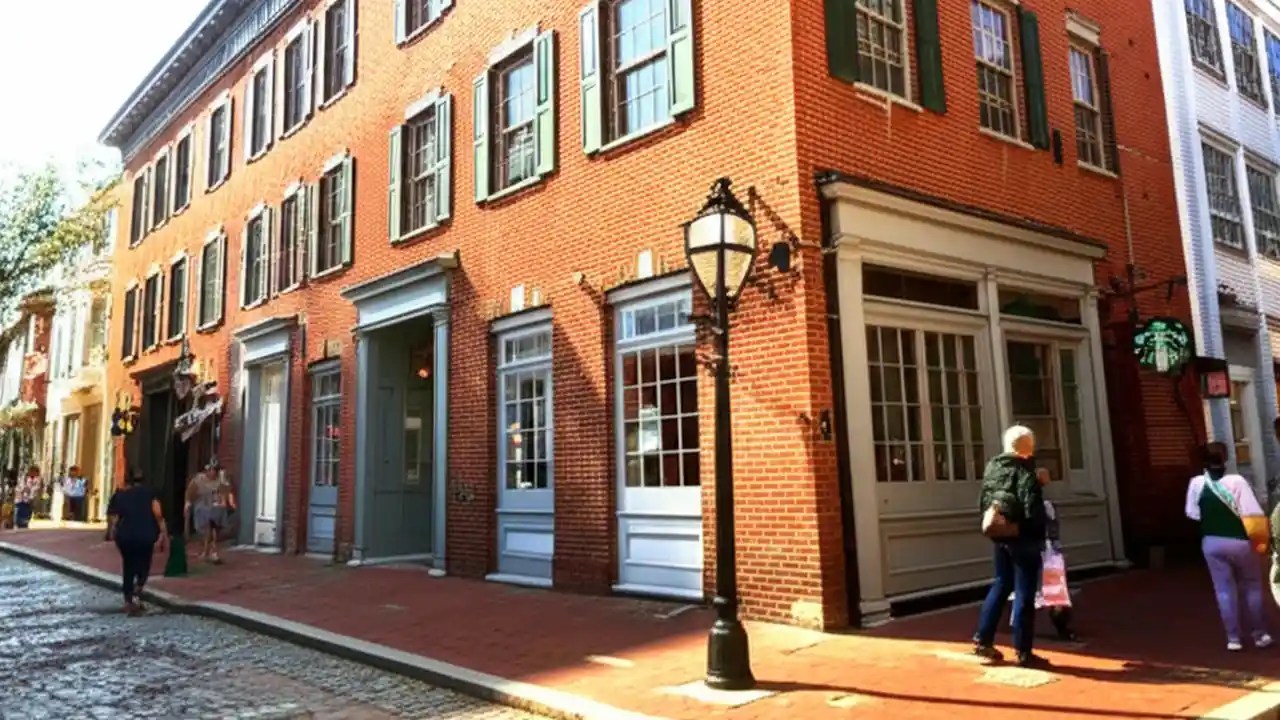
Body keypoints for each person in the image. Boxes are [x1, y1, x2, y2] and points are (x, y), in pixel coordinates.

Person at [973, 425, 1049, 668]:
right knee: (1025, 592)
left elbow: (985, 498)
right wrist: (1040, 530)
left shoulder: (994, 467)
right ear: (1028, 447)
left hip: (1000, 534)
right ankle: (1023, 651)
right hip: (1023, 537)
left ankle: (983, 638)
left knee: (1001, 583)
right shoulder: (1027, 471)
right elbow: (1031, 509)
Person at [1185, 442, 1272, 651]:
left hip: (1211, 542)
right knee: (1252, 585)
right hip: (1240, 540)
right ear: (1225, 458)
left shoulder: (1197, 483)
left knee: (1223, 589)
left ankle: (1233, 638)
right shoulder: (1237, 481)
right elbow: (1252, 512)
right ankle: (1259, 634)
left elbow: (1192, 513)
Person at [106, 471, 168, 616]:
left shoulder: (121, 495)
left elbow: (115, 518)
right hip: (146, 534)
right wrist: (163, 534)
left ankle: (128, 600)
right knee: (144, 563)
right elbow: (158, 514)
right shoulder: (150, 493)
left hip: (125, 536)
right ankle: (138, 587)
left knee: (128, 565)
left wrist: (112, 532)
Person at [184, 457, 235, 564]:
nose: (212, 472)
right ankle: (208, 550)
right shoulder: (199, 479)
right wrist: (188, 503)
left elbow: (227, 491)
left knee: (215, 528)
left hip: (217, 507)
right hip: (203, 507)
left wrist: (224, 483)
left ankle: (212, 550)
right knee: (207, 527)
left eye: (215, 470)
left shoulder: (221, 479)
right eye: (210, 470)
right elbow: (190, 491)